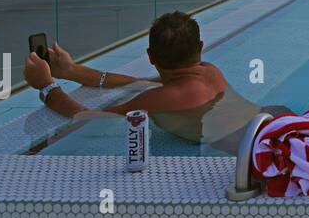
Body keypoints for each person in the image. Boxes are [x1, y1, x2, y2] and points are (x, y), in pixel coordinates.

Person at [23, 11, 282, 152]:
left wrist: (46, 86)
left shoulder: (160, 99)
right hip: (274, 126)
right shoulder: (209, 72)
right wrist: (72, 71)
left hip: (253, 151)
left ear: (150, 56)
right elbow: (138, 82)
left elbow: (87, 118)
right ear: (200, 48)